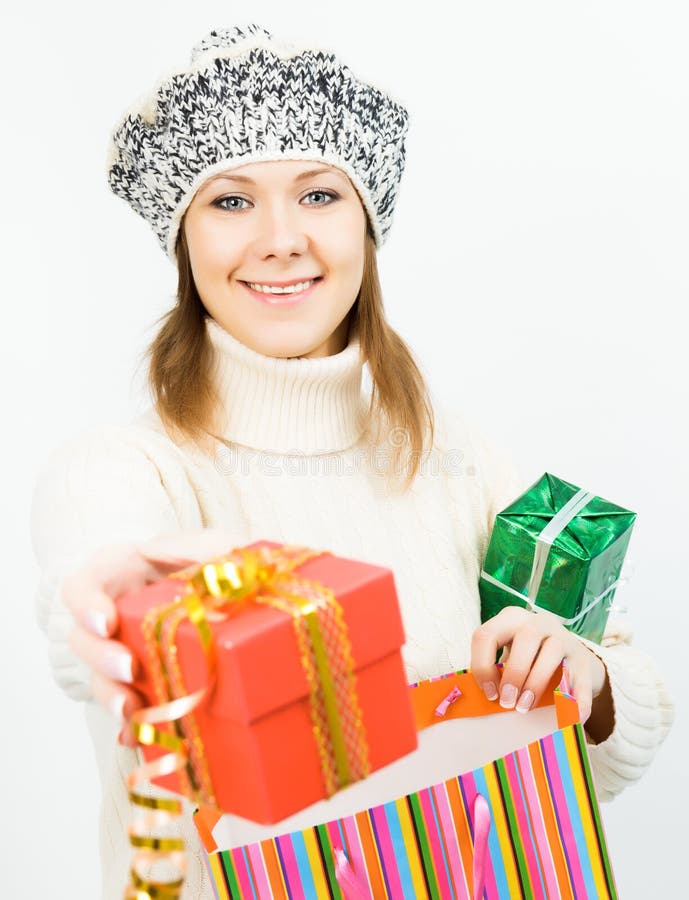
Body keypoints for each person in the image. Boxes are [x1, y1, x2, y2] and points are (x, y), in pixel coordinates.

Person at [30, 23, 674, 899]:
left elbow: (613, 715)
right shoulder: (121, 472)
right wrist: (132, 617)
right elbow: (100, 627)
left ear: (366, 225)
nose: (280, 239)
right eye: (230, 201)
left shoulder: (453, 456)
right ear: (183, 240)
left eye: (319, 194)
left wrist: (581, 676)